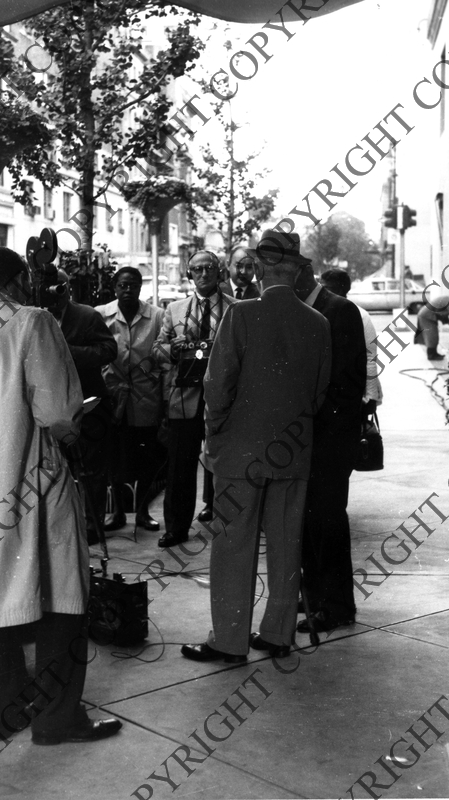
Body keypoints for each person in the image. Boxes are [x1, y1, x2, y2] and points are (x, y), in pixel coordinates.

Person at [0, 246, 121, 745]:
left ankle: (4, 715)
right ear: (19, 280)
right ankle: (57, 719)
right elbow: (60, 409)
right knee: (63, 597)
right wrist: (72, 423)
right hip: (30, 481)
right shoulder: (31, 322)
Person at [180, 229, 331, 663]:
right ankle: (278, 634)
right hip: (293, 451)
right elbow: (319, 394)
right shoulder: (317, 323)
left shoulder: (241, 314)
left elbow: (216, 384)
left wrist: (216, 434)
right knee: (286, 542)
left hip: (240, 454)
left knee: (233, 546)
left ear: (261, 267)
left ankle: (229, 641)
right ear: (296, 270)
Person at [294, 263, 366, 633]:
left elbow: (344, 382)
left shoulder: (339, 310)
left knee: (327, 520)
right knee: (308, 523)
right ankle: (314, 599)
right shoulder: (300, 311)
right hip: (305, 439)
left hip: (330, 441)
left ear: (301, 274)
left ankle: (335, 606)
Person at [152, 251, 235, 547]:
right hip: (184, 398)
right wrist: (173, 350)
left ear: (219, 272)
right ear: (189, 275)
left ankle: (232, 525)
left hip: (224, 398)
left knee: (227, 463)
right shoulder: (174, 310)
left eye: (209, 268)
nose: (203, 274)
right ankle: (176, 527)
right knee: (180, 466)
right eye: (197, 269)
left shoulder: (235, 309)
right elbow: (157, 350)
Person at [47, 269, 117, 545]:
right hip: (53, 407)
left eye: (59, 288)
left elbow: (108, 350)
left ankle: (92, 526)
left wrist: (68, 351)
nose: (54, 295)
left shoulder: (87, 316)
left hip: (89, 406)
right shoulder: (33, 316)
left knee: (92, 469)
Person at [96, 267, 165, 532]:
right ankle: (117, 513)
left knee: (146, 457)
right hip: (113, 397)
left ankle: (144, 511)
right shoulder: (102, 314)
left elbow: (162, 355)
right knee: (114, 456)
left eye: (133, 286)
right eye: (123, 286)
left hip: (145, 398)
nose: (128, 291)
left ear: (140, 287)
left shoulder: (156, 316)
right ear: (115, 287)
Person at [321, 268, 383, 409]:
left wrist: (371, 397)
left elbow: (370, 357)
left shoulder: (361, 316)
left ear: (343, 289)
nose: (323, 293)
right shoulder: (319, 313)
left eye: (328, 288)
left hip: (351, 392)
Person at [414, 290, 449, 360]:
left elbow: (445, 319)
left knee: (433, 336)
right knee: (431, 336)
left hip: (427, 316)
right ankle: (431, 355)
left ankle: (434, 354)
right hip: (426, 316)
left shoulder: (446, 300)